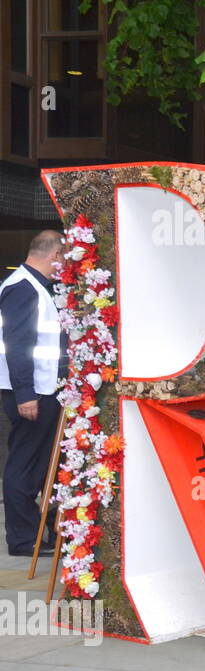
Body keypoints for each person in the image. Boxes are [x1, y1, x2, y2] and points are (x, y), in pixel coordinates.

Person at [0, 231, 68, 556]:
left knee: (42, 465)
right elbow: (18, 345)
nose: (63, 266)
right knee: (25, 465)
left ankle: (44, 531)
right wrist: (26, 393)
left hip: (44, 390)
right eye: (63, 259)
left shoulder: (38, 286)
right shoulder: (21, 288)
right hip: (30, 393)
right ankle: (23, 539)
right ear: (55, 254)